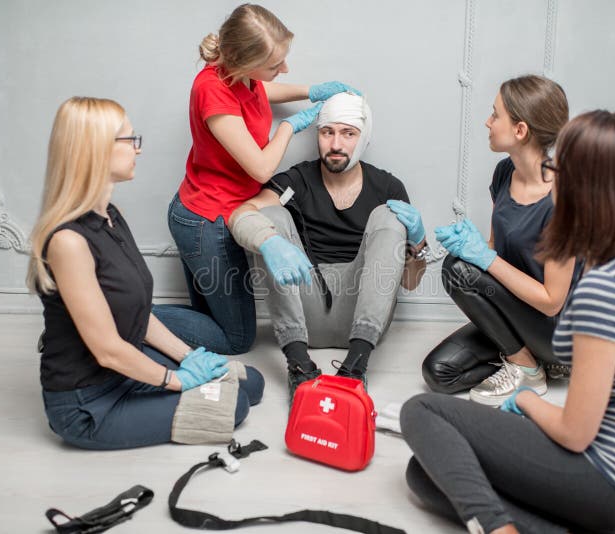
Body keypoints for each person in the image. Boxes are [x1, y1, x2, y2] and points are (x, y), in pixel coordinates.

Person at [401, 110, 615, 533]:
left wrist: (527, 402)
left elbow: (575, 433)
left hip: (608, 480)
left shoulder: (605, 288)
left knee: (420, 411)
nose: (552, 176)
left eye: (559, 168)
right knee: (426, 474)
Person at [27, 97, 264, 450]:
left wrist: (188, 357)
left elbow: (138, 312)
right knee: (236, 405)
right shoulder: (68, 242)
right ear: (96, 150)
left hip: (124, 366)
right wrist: (174, 380)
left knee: (252, 383)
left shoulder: (111, 216)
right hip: (89, 402)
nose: (137, 148)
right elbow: (107, 351)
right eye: (129, 139)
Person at [162, 3, 359, 355]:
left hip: (210, 209)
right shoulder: (212, 90)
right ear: (243, 63)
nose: (284, 69)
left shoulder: (236, 74)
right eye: (274, 65)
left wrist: (311, 90)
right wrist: (289, 126)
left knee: (206, 321)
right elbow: (262, 169)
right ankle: (123, 316)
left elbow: (260, 92)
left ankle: (136, 330)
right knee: (235, 338)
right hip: (206, 222)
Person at [228, 92, 428, 400]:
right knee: (269, 215)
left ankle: (355, 367)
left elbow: (410, 282)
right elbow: (240, 215)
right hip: (303, 313)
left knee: (389, 214)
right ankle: (299, 365)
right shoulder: (297, 180)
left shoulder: (388, 187)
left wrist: (419, 242)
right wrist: (269, 242)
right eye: (327, 132)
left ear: (364, 138)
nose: (336, 144)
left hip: (362, 317)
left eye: (348, 133)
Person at [423, 75, 576, 402]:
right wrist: (477, 249)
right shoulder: (505, 172)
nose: (488, 122)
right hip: (516, 313)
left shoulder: (564, 200)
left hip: (557, 329)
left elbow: (553, 300)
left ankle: (529, 369)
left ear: (520, 130)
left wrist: (481, 258)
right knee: (438, 372)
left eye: (495, 114)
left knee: (456, 269)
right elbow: (497, 251)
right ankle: (532, 361)